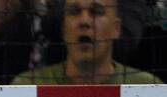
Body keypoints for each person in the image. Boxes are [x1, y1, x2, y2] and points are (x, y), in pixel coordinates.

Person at [11, 0, 160, 83]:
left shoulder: (146, 86)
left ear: (116, 29)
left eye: (96, 12)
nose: (84, 21)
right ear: (63, 28)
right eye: (74, 12)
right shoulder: (28, 85)